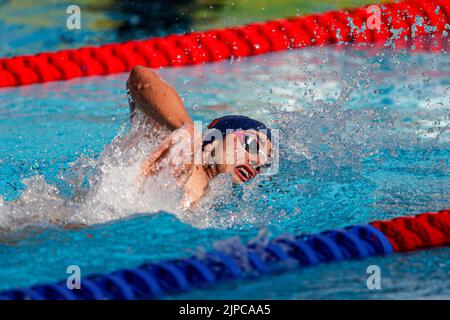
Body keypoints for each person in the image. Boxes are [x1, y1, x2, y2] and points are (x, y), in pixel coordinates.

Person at [126, 66, 273, 209]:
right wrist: (186, 127)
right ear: (217, 137)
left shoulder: (217, 204)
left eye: (266, 161)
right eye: (253, 145)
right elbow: (139, 76)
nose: (259, 162)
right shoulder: (174, 145)